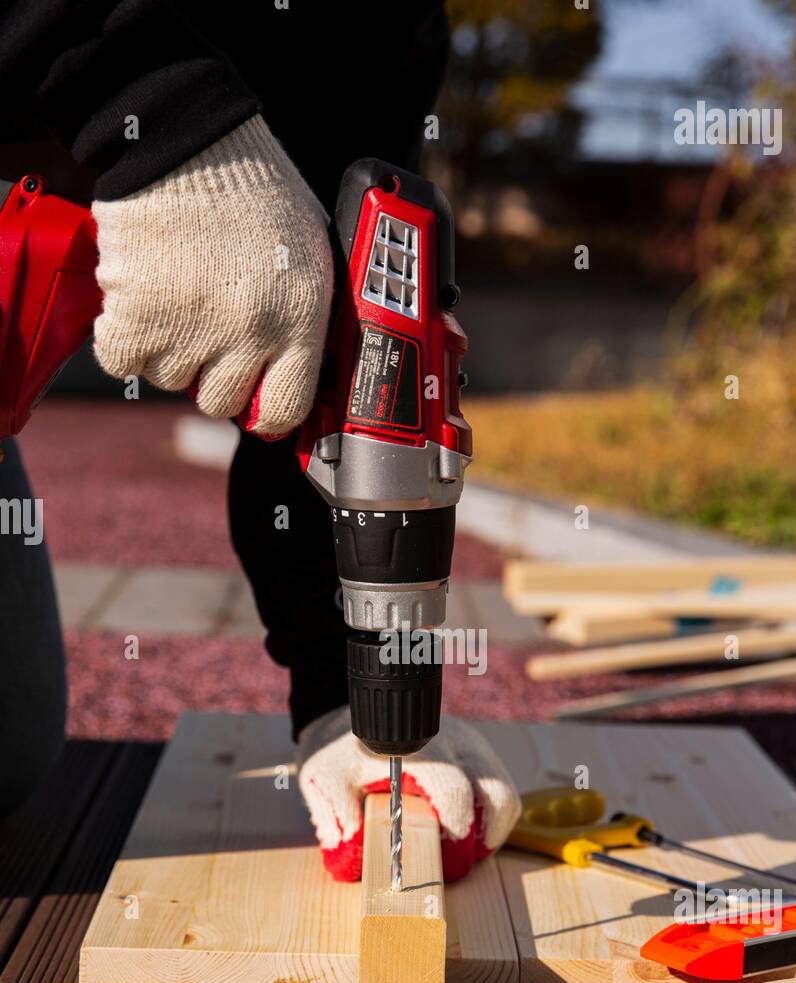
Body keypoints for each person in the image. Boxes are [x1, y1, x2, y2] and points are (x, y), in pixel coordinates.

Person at [0, 0, 521, 878]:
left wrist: (343, 694)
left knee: (7, 748)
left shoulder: (385, 27)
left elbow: (342, 357)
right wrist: (157, 120)